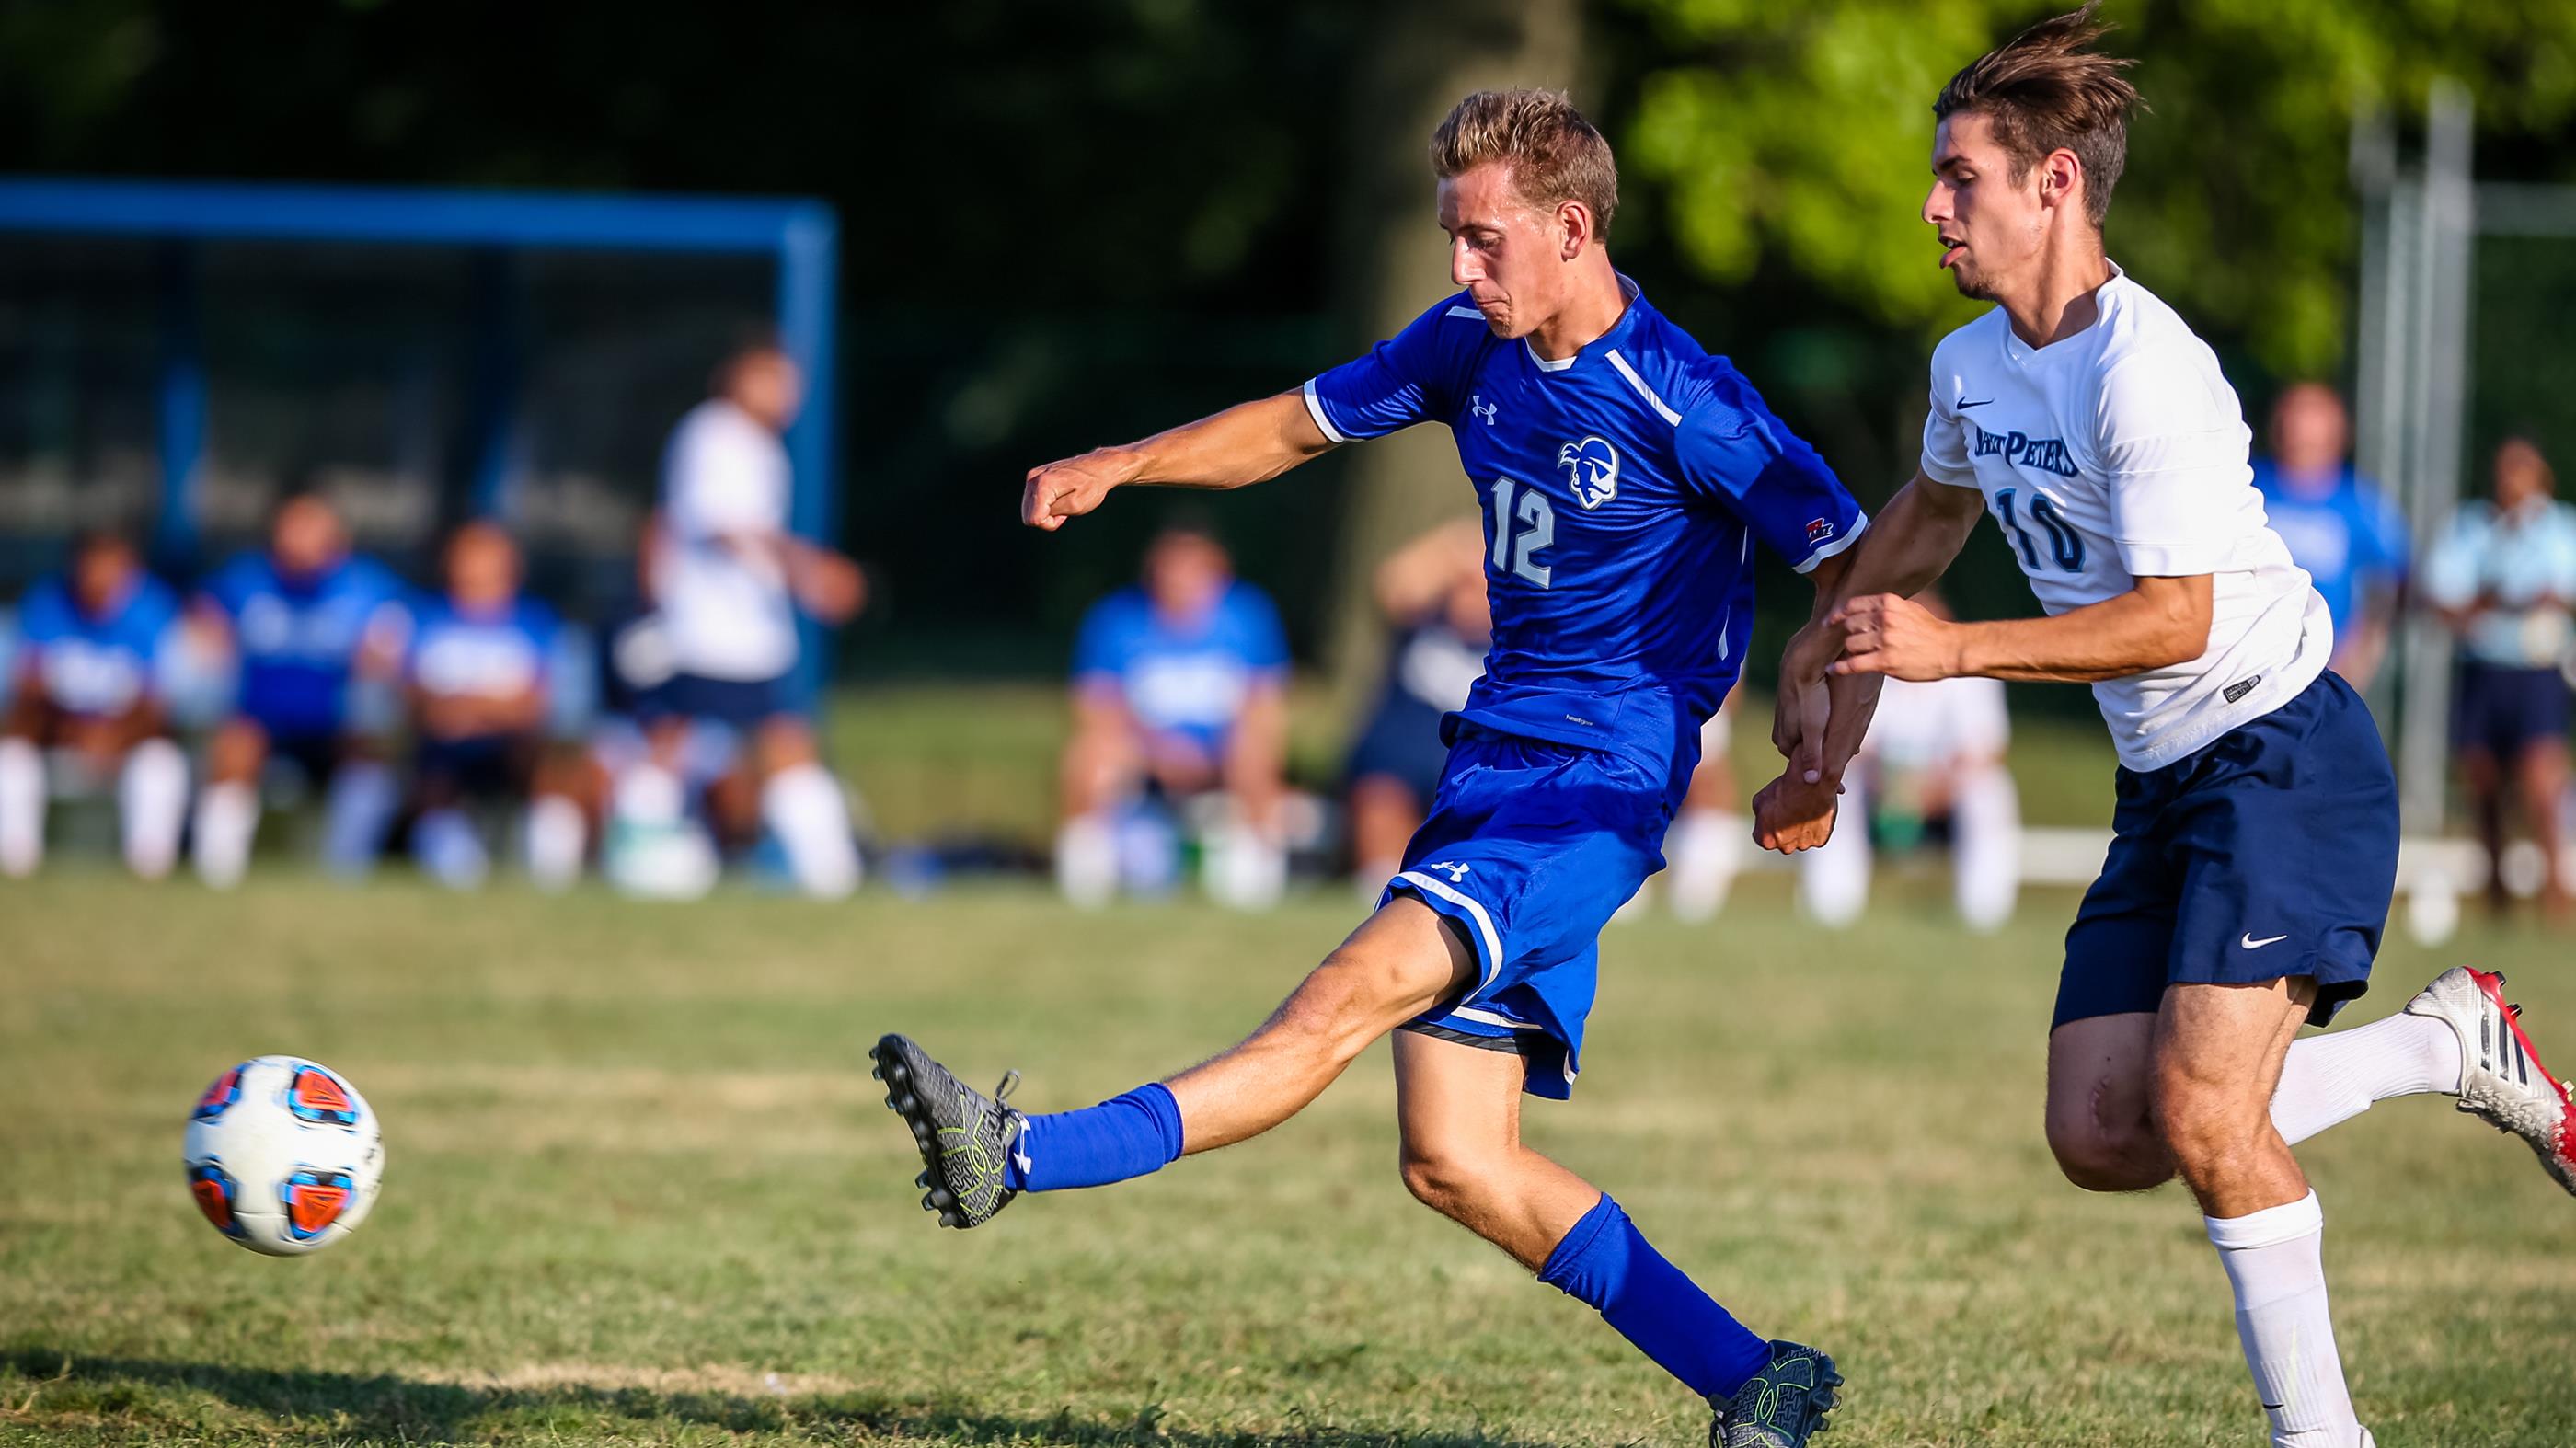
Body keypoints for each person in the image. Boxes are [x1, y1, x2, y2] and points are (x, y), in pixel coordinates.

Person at [877, 89, 1867, 1448]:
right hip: (1490, 766)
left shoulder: (1684, 397)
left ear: (1571, 230)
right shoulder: (1470, 342)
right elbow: (1292, 426)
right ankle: (1759, 1378)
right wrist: (1126, 462)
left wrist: (1821, 748)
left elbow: (1852, 562)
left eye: (1483, 239)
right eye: (1451, 235)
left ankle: (1018, 1153)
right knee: (1456, 1159)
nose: (1460, 266)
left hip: (1590, 791)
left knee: (1335, 1000)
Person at [1767, 13, 2575, 1446]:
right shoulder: (1971, 365)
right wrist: (1826, 660)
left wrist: (1958, 650)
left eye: (1961, 178)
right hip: (2164, 778)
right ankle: (2443, 1044)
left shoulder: (2150, 370)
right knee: (2100, 1129)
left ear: (2055, 185)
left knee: (2206, 1117)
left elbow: (2175, 620)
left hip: (2282, 753)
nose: (1933, 207)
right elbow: (1930, 519)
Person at [651, 337, 866, 898]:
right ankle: (826, 868)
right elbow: (723, 525)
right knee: (699, 741)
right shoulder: (714, 434)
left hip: (749, 630)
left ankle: (821, 864)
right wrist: (809, 572)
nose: (786, 394)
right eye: (772, 379)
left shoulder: (757, 445)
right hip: (713, 629)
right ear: (738, 377)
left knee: (726, 740)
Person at [1057, 521, 1292, 909]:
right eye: (1171, 567)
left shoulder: (1248, 616)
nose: (1180, 579)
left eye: (1193, 568)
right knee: (1088, 753)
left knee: (1254, 748)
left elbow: (1266, 703)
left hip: (1222, 749)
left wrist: (1224, 747)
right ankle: (1085, 875)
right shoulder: (1117, 618)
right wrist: (1160, 750)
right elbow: (1095, 707)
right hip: (1142, 748)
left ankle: (1255, 870)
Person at [190, 489, 411, 888]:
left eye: (312, 526)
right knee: (236, 746)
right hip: (260, 722)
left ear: (337, 535)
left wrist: (378, 656)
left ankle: (346, 875)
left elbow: (389, 656)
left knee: (368, 758)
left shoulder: (369, 588)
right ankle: (218, 873)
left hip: (335, 726)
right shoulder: (244, 581)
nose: (300, 537)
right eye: (293, 525)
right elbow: (201, 632)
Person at [1794, 596, 2018, 933]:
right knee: (1837, 783)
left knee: (1989, 790)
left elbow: (1982, 754)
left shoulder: (1972, 672)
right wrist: (1892, 786)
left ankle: (1985, 911)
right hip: (1880, 789)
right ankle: (1831, 905)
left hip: (1944, 794)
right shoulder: (1863, 668)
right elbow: (1853, 749)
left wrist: (1928, 792)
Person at [2421, 436, 2576, 916]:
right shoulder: (2468, 527)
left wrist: (2537, 601)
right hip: (2484, 666)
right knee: (2483, 779)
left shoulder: (2560, 531)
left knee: (2539, 779)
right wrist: (2493, 600)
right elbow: (2443, 598)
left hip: (2537, 669)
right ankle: (2496, 891)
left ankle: (2556, 887)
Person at [400, 521, 581, 891]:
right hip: (443, 754)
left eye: (485, 556)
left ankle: (551, 873)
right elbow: (418, 702)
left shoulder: (536, 622)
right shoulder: (426, 618)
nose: (474, 567)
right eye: (467, 555)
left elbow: (536, 705)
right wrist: (494, 704)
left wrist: (468, 705)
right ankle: (454, 863)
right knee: (430, 777)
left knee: (555, 767)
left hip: (513, 751)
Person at [0, 531, 187, 879]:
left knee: (161, 764)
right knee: (10, 757)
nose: (101, 580)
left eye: (112, 569)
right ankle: (15, 867)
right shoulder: (47, 604)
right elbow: (26, 693)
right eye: (93, 568)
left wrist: (112, 738)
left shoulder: (152, 610)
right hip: (58, 733)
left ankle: (148, 873)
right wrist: (70, 731)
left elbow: (158, 706)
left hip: (124, 742)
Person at [1342, 516, 1487, 898]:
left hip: (1479, 777)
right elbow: (1392, 582)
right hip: (1398, 770)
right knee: (1380, 793)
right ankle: (1379, 885)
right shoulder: (1422, 623)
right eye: (1465, 583)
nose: (1472, 594)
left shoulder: (1515, 642)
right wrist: (1457, 546)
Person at [2251, 385, 2408, 689]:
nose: (2296, 425)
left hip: (2323, 675)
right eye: (2291, 412)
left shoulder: (2359, 503)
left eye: (2310, 415)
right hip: (2246, 671)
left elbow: (2392, 587)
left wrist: (2358, 659)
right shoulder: (2250, 484)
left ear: (2337, 430)